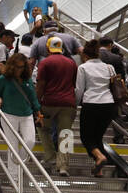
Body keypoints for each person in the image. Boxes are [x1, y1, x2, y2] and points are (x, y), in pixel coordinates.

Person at [0, 53, 42, 186]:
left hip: (26, 114)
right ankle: (14, 177)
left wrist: (38, 112)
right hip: (9, 114)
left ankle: (19, 164)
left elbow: (33, 97)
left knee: (30, 141)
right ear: (12, 66)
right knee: (12, 145)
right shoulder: (3, 79)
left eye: (22, 67)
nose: (19, 70)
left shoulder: (28, 80)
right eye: (17, 67)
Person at [35, 36, 78, 177]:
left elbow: (41, 85)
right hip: (68, 103)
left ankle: (50, 156)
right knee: (66, 134)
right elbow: (73, 83)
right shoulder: (71, 63)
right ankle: (63, 166)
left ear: (48, 48)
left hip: (49, 103)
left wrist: (36, 103)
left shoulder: (45, 63)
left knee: (42, 128)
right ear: (61, 47)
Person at [77, 38, 118, 176]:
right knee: (97, 137)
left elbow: (79, 89)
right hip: (108, 106)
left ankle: (100, 157)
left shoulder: (83, 67)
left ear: (85, 55)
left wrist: (76, 104)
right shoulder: (109, 67)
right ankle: (98, 170)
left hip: (91, 104)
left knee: (86, 137)